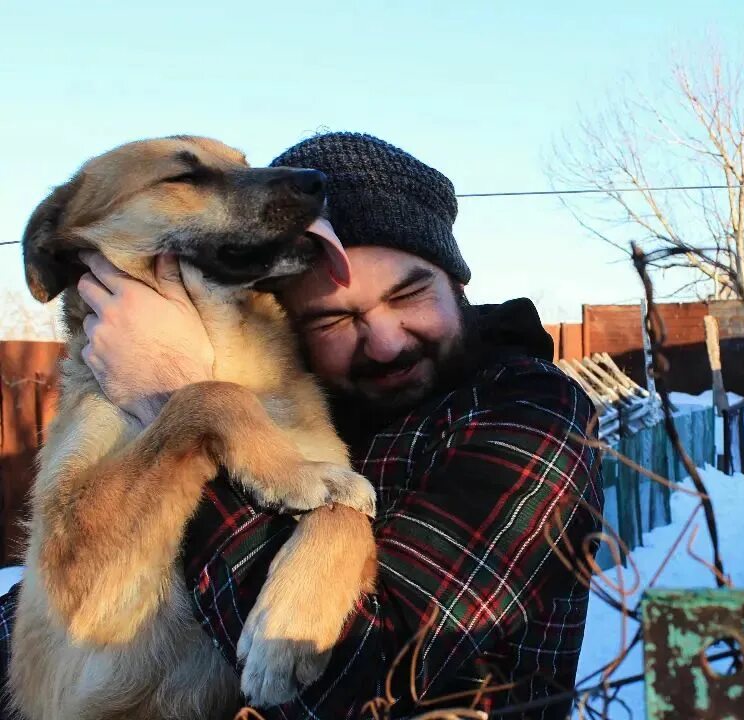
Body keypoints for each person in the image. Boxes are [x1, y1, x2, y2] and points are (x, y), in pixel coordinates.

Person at [1, 132, 602, 719]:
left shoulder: (530, 415)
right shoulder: (322, 397)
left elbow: (359, 678)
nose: (385, 343)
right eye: (333, 319)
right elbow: (56, 607)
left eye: (410, 294)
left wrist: (173, 396)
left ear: (456, 282)